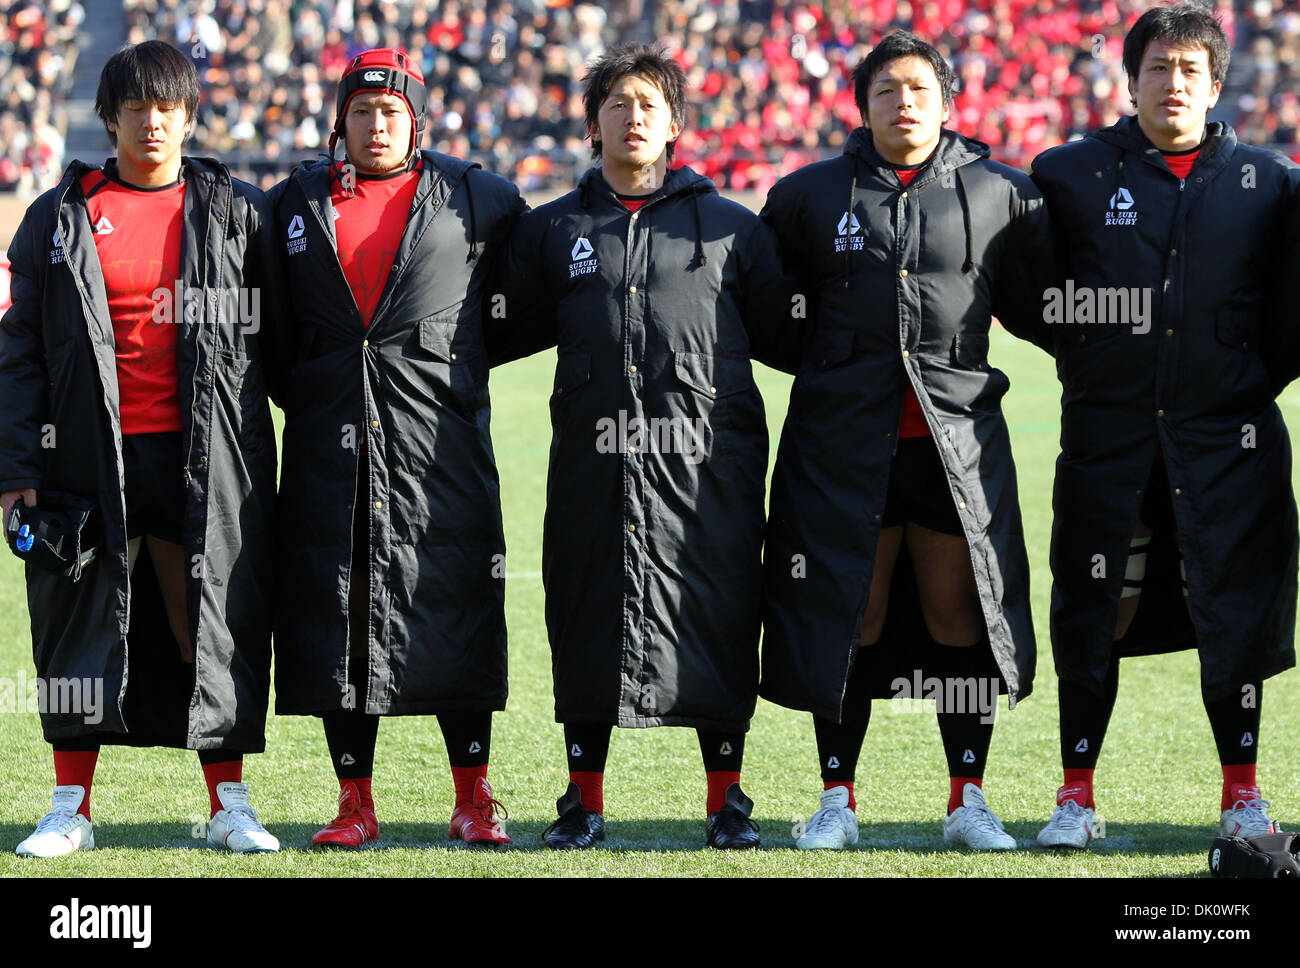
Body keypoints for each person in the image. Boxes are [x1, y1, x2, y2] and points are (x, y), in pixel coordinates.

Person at [489, 43, 798, 849]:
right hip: (593, 469)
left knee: (721, 618)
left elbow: (791, 339)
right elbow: (491, 329)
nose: (633, 118)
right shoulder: (552, 230)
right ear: (593, 125)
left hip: (708, 475)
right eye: (617, 105)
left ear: (675, 127)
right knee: (587, 613)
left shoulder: (733, 231)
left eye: (648, 106)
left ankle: (727, 802)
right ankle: (582, 802)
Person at [759, 30, 1055, 851]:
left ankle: (968, 799)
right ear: (863, 105)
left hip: (955, 446)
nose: (904, 102)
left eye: (919, 88)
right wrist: (835, 371)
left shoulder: (1003, 193)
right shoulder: (807, 196)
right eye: (887, 89)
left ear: (949, 102)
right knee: (851, 614)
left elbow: (1043, 305)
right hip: (840, 448)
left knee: (960, 617)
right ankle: (835, 800)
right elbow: (766, 312)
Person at [0, 40, 282, 856]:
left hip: (205, 462)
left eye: (167, 107)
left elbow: (288, 337)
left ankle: (230, 804)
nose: (151, 122)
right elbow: (17, 352)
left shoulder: (236, 211)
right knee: (78, 627)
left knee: (210, 625)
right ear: (111, 118)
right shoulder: (58, 217)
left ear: (189, 115)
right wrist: (16, 468)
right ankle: (69, 808)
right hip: (85, 461)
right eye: (135, 108)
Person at [1030, 0, 1300, 848]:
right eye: (1158, 67)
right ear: (1132, 78)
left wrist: (1248, 380)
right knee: (1093, 607)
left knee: (1237, 611)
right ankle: (1075, 793)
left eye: (1190, 70)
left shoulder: (1270, 181)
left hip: (1230, 445)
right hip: (1109, 442)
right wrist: (1092, 360)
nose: (1173, 83)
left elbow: (1293, 309)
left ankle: (1243, 793)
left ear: (1216, 83)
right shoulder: (1069, 173)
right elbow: (1031, 291)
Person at [269, 48, 525, 848]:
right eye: (361, 111)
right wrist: (324, 392)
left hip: (439, 447)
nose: (376, 124)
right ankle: (354, 802)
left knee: (457, 607)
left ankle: (474, 795)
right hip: (329, 450)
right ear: (339, 119)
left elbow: (521, 308)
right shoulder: (293, 204)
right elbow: (275, 334)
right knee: (337, 614)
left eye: (391, 112)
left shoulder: (481, 197)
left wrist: (448, 369)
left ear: (416, 119)